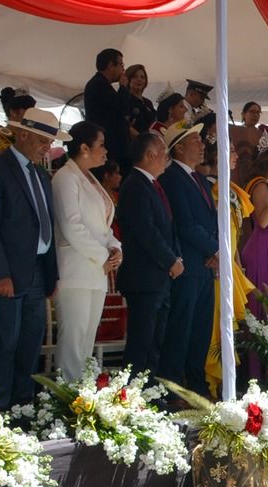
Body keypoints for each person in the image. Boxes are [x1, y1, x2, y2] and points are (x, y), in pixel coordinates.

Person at [0, 109, 62, 410]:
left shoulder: (41, 175)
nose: (47, 147)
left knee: (30, 342)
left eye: (50, 141)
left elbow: (47, 224)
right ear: (22, 134)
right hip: (5, 271)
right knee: (4, 342)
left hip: (35, 270)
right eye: (43, 140)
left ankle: (22, 407)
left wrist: (52, 274)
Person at [51, 121, 121, 381]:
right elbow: (71, 225)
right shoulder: (65, 177)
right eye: (100, 144)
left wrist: (115, 247)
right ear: (83, 147)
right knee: (73, 338)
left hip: (96, 271)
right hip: (75, 270)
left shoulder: (90, 178)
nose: (105, 151)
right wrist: (103, 256)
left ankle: (83, 394)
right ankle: (65, 395)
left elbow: (103, 227)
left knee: (87, 339)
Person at [115, 131, 181, 378]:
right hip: (144, 277)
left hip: (159, 278)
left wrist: (177, 257)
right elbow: (146, 231)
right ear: (151, 154)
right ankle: (134, 393)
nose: (167, 158)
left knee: (155, 340)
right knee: (141, 342)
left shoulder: (153, 185)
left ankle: (150, 390)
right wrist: (170, 260)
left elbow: (168, 227)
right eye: (164, 153)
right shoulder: (134, 185)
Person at [163, 123, 221, 393]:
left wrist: (215, 249)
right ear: (180, 147)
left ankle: (197, 385)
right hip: (187, 264)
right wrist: (214, 249)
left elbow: (209, 220)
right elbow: (185, 224)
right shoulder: (171, 176)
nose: (202, 146)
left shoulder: (197, 178)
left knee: (200, 329)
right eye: (196, 141)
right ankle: (175, 386)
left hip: (204, 266)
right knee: (181, 327)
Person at [82, 48, 131, 160]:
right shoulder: (98, 85)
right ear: (110, 65)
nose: (123, 69)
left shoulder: (102, 85)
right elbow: (121, 106)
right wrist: (123, 87)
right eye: (121, 64)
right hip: (110, 145)